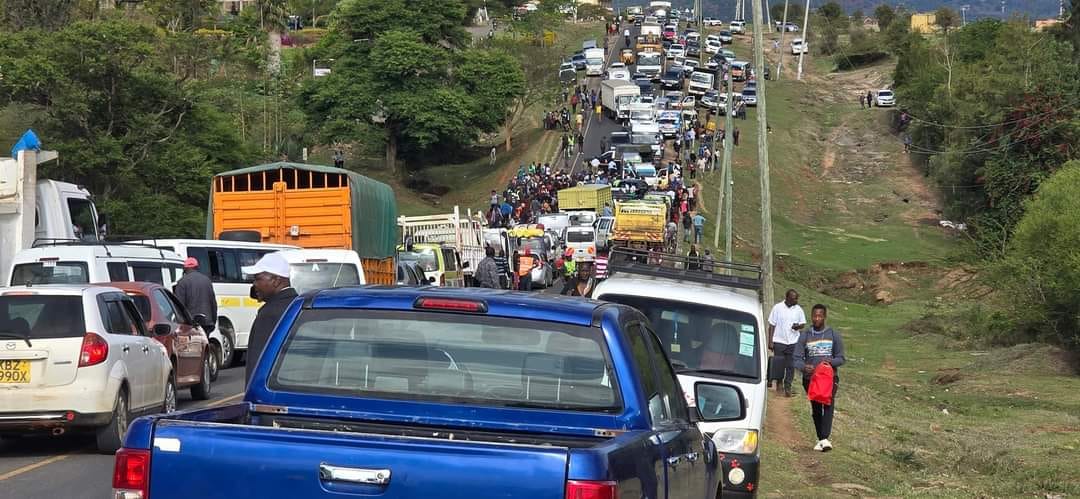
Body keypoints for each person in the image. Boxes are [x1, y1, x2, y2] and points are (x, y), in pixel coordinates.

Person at [793, 304, 846, 452]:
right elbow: (796, 358)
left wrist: (830, 361)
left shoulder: (833, 334)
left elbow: (841, 358)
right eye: (814, 316)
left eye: (820, 316)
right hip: (811, 379)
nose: (817, 319)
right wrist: (804, 367)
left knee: (828, 404)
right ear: (811, 316)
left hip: (830, 378)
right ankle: (822, 438)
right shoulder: (805, 335)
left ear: (824, 317)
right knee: (816, 408)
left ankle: (824, 438)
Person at [242, 252, 298, 386]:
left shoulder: (269, 313)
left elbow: (258, 361)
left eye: (258, 279)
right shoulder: (298, 305)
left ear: (276, 280)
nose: (254, 284)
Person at [767, 289, 807, 396]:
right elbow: (771, 325)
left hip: (793, 342)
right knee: (779, 364)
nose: (796, 300)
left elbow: (803, 324)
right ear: (788, 298)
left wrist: (797, 326)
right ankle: (779, 383)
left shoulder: (798, 309)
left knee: (791, 365)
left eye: (797, 298)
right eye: (794, 298)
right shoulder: (777, 308)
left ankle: (788, 387)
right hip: (779, 341)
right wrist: (770, 341)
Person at [173, 257, 217, 331]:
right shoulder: (207, 280)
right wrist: (213, 321)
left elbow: (179, 305)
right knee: (204, 341)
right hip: (207, 322)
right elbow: (213, 304)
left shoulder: (182, 282)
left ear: (185, 269)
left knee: (193, 342)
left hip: (190, 323)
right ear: (197, 267)